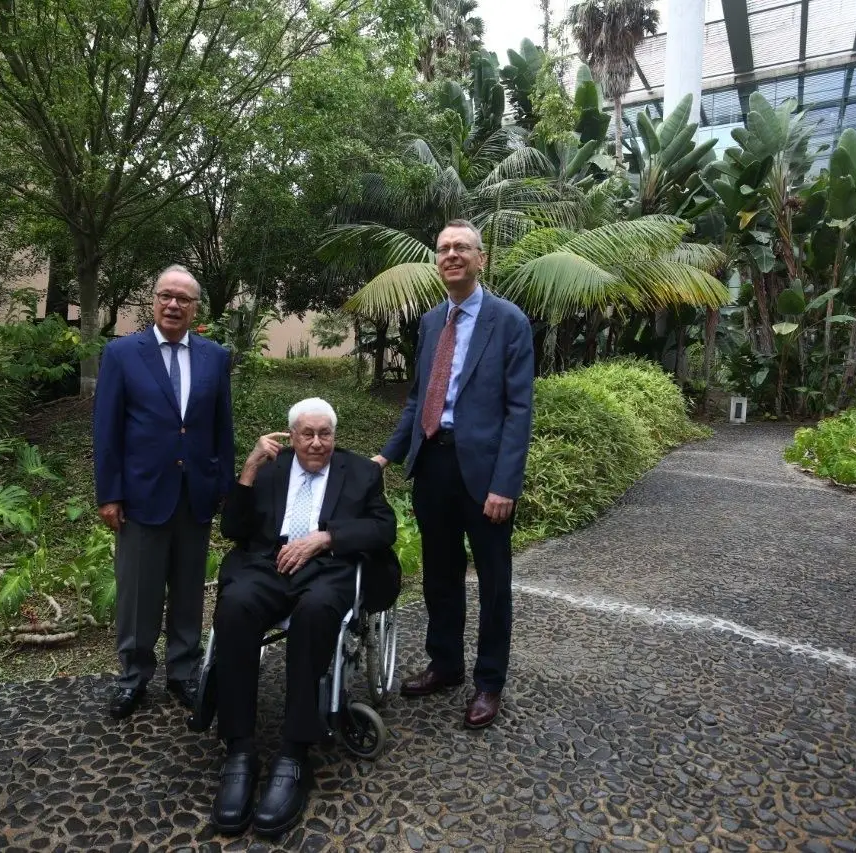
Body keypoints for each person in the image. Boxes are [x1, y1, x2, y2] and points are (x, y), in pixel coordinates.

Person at [208, 398, 397, 837]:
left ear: (334, 435)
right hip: (267, 567)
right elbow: (233, 530)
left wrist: (327, 538)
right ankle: (240, 750)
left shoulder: (361, 473)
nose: (316, 443)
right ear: (291, 436)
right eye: (306, 434)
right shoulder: (271, 468)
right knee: (234, 607)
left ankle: (294, 752)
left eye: (324, 434)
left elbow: (383, 528)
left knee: (314, 613)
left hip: (326, 572)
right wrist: (249, 471)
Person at [373, 219, 534, 730]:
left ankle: (489, 682)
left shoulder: (508, 321)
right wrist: (386, 456)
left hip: (484, 474)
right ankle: (445, 664)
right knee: (440, 576)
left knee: (493, 582)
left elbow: (518, 409)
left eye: (461, 247)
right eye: (443, 249)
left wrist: (505, 484)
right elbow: (420, 398)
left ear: (481, 259)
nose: (451, 255)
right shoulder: (428, 322)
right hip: (434, 467)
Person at [92, 264, 235, 719]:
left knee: (190, 589)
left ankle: (183, 671)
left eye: (184, 299)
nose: (173, 305)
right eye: (166, 296)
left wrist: (224, 487)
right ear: (153, 301)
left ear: (196, 308)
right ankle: (133, 677)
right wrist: (109, 494)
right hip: (140, 496)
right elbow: (107, 431)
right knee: (138, 592)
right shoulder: (121, 354)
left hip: (195, 495)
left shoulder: (215, 356)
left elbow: (221, 429)